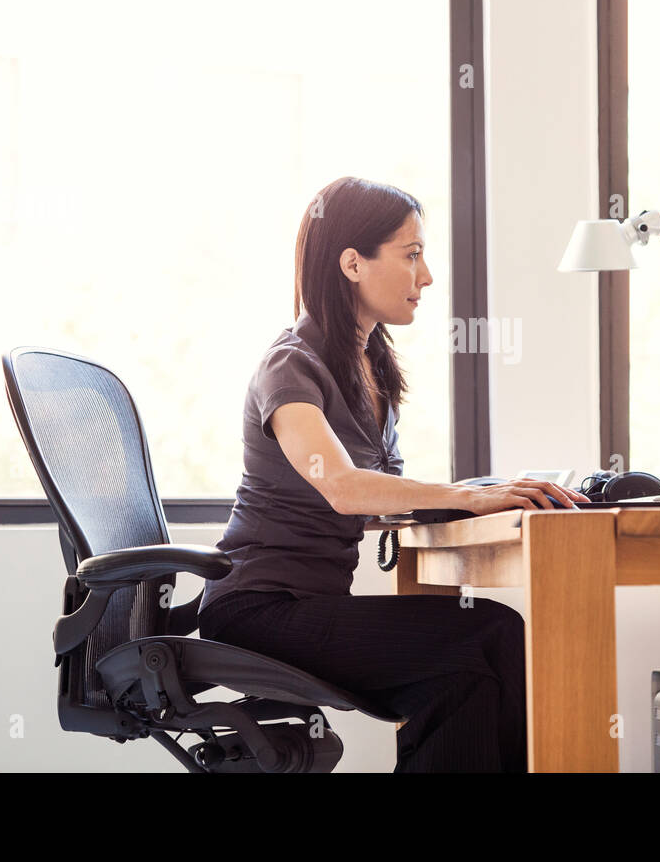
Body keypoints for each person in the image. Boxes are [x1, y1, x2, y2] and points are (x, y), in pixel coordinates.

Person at [197, 175, 588, 772]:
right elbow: (342, 485)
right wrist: (467, 496)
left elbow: (380, 500)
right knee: (491, 635)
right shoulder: (290, 365)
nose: (426, 277)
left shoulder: (369, 367)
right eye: (411, 256)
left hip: (305, 603)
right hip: (258, 608)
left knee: (463, 682)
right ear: (352, 263)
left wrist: (490, 494)